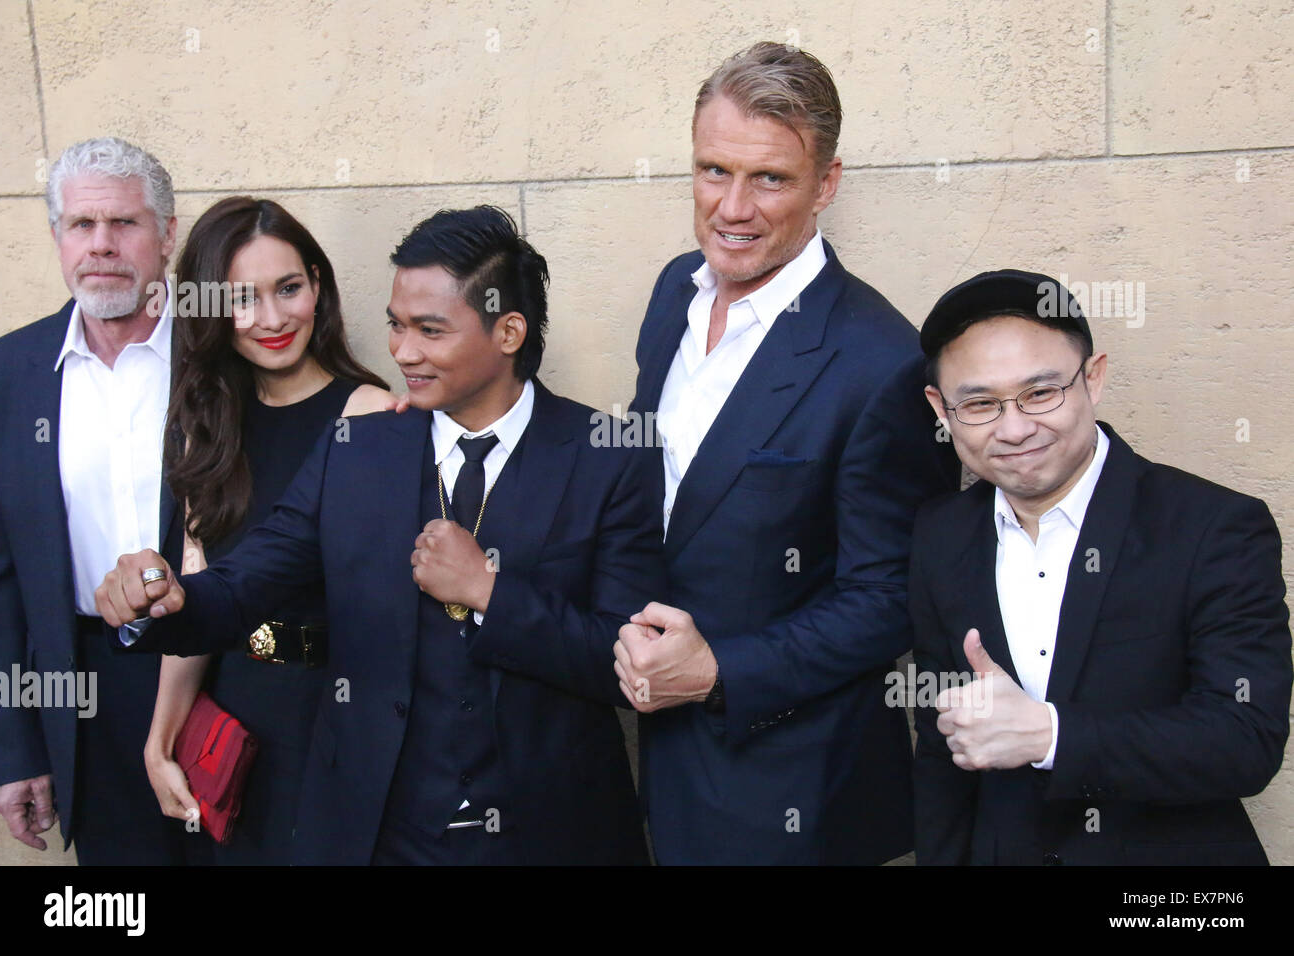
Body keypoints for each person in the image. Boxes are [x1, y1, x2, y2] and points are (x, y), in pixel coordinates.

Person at [98, 205, 663, 865]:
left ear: (508, 331)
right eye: (396, 326)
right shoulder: (357, 449)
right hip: (381, 835)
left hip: (550, 833)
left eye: (430, 330)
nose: (402, 351)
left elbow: (625, 668)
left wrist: (489, 592)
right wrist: (165, 602)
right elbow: (246, 583)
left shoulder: (606, 456)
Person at [616, 41, 958, 864]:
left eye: (770, 178)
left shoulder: (883, 362)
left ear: (826, 184)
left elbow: (887, 598)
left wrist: (720, 672)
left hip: (799, 786)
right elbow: (649, 484)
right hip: (666, 758)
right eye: (712, 171)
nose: (733, 208)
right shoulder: (674, 291)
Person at [910, 268, 1291, 865]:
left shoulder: (1214, 527)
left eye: (1040, 393)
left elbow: (1247, 740)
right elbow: (941, 751)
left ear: (1094, 378)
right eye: (980, 404)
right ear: (942, 408)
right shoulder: (939, 536)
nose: (1014, 429)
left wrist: (1050, 736)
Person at [144, 196, 390, 864]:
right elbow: (199, 591)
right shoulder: (206, 427)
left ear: (318, 285)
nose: (273, 319)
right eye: (242, 298)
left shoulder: (371, 413)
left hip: (339, 715)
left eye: (289, 288)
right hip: (235, 722)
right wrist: (160, 737)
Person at [0, 137, 204, 864]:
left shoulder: (224, 353)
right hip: (84, 693)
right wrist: (14, 746)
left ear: (167, 234)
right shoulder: (10, 373)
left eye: (124, 224)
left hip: (223, 676)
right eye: (81, 226)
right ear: (57, 238)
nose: (102, 245)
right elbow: (1, 582)